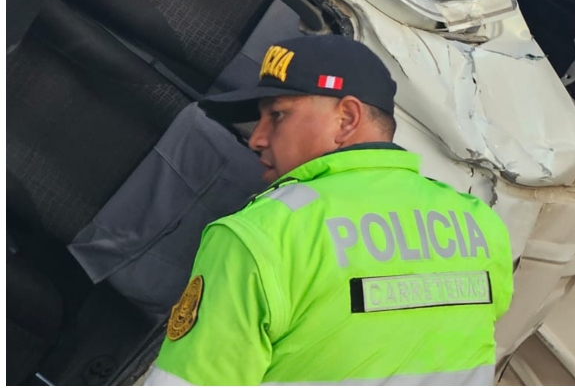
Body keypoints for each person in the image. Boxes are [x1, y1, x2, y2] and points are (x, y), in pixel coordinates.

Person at [145, 35, 514, 385]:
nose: (256, 138)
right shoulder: (477, 221)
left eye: (277, 115)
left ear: (347, 119)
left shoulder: (262, 234)